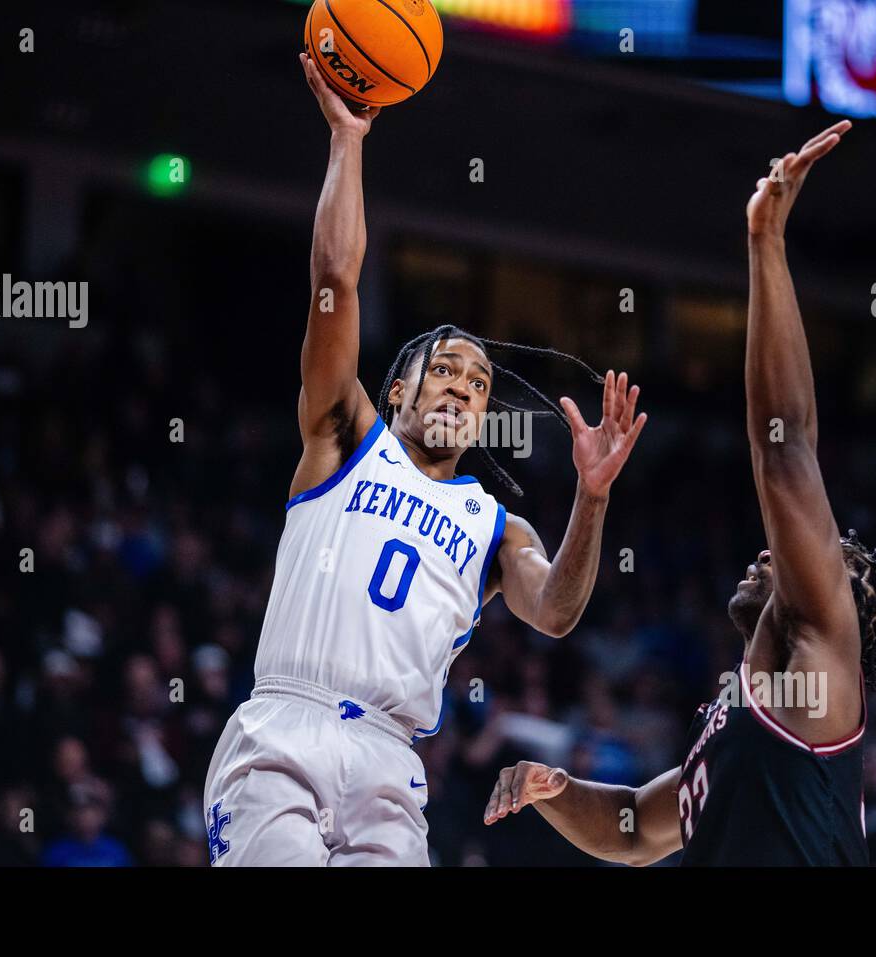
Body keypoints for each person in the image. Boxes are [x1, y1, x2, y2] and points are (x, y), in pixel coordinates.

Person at [202, 53, 647, 866]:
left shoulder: (493, 523)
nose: (461, 388)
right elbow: (335, 277)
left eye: (477, 384)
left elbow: (554, 611)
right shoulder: (345, 435)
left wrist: (592, 498)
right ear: (398, 387)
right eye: (444, 369)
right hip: (285, 725)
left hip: (391, 759)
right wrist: (348, 140)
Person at [484, 120, 876, 866]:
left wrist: (766, 244)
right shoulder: (734, 718)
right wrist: (555, 787)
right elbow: (633, 824)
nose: (780, 548)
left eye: (833, 555)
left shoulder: (823, 654)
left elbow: (784, 446)